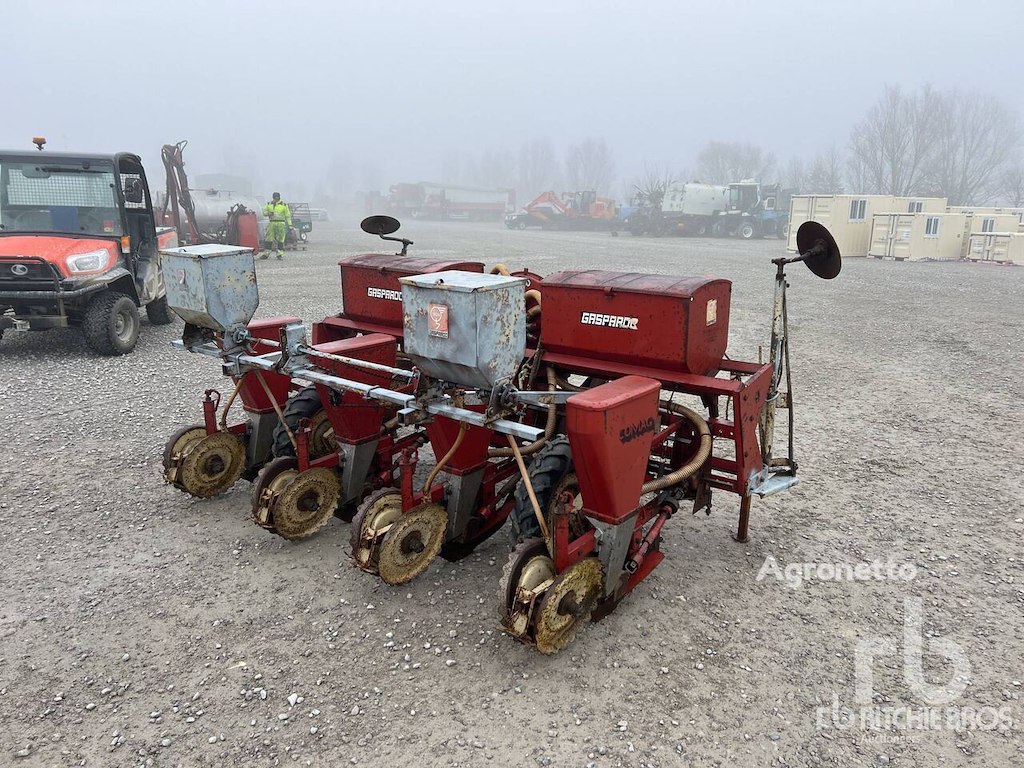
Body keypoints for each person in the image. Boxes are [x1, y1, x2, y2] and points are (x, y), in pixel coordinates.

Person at [262, 192, 292, 259]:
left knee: (280, 239)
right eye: (275, 198)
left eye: (278, 198)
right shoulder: (269, 204)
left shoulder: (284, 205)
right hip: (271, 223)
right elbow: (264, 212)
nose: (276, 200)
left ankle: (279, 254)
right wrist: (269, 213)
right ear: (273, 198)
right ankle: (266, 253)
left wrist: (290, 225)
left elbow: (288, 216)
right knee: (268, 238)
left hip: (281, 223)